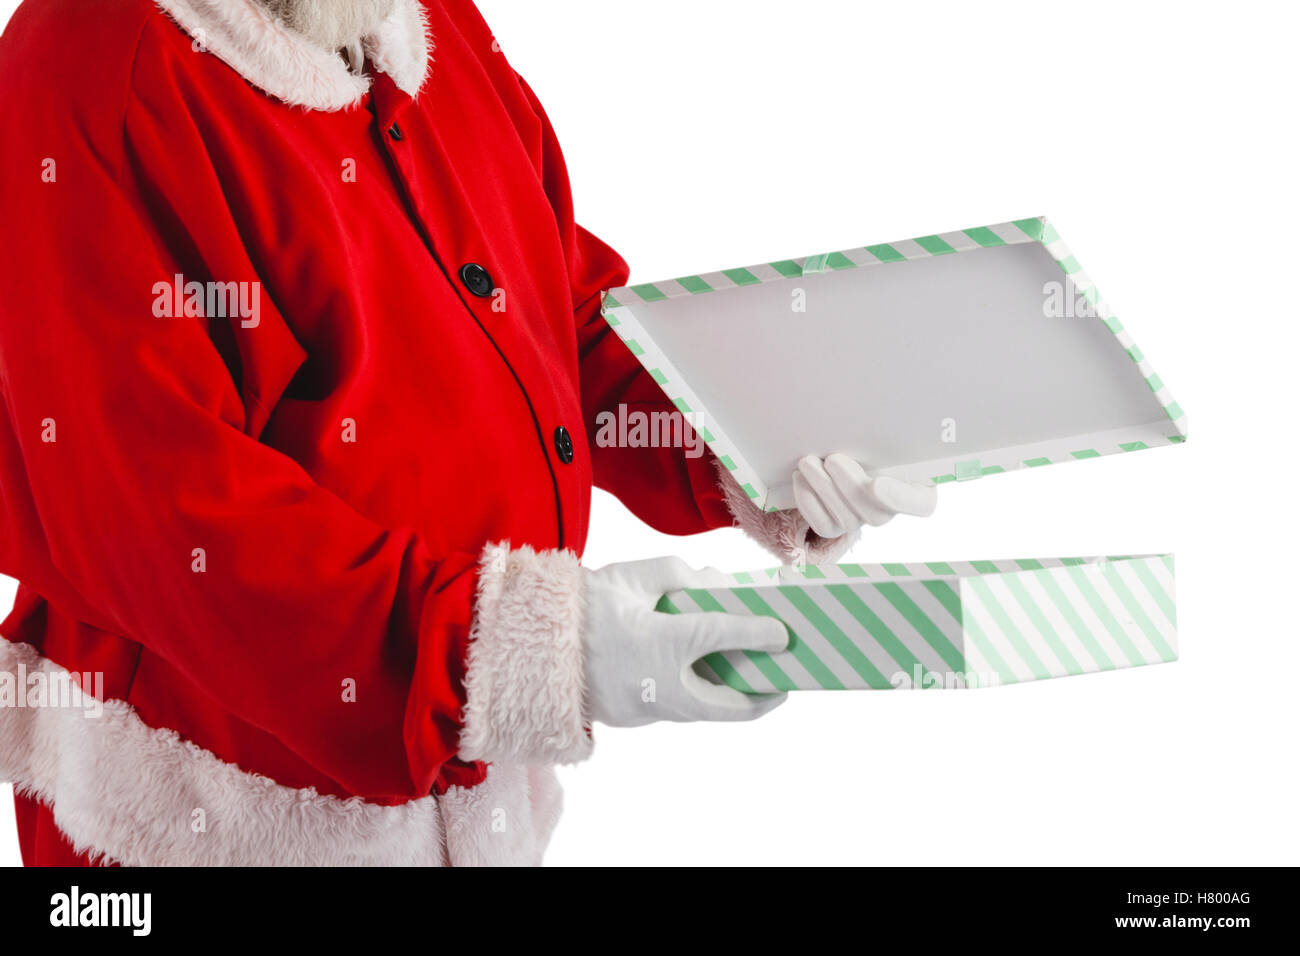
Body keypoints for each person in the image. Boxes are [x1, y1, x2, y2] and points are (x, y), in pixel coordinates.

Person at [0, 0, 934, 866]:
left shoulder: (421, 22)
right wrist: (531, 654)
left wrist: (751, 439)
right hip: (205, 818)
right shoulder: (90, 66)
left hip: (471, 805)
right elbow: (161, 520)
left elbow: (555, 316)